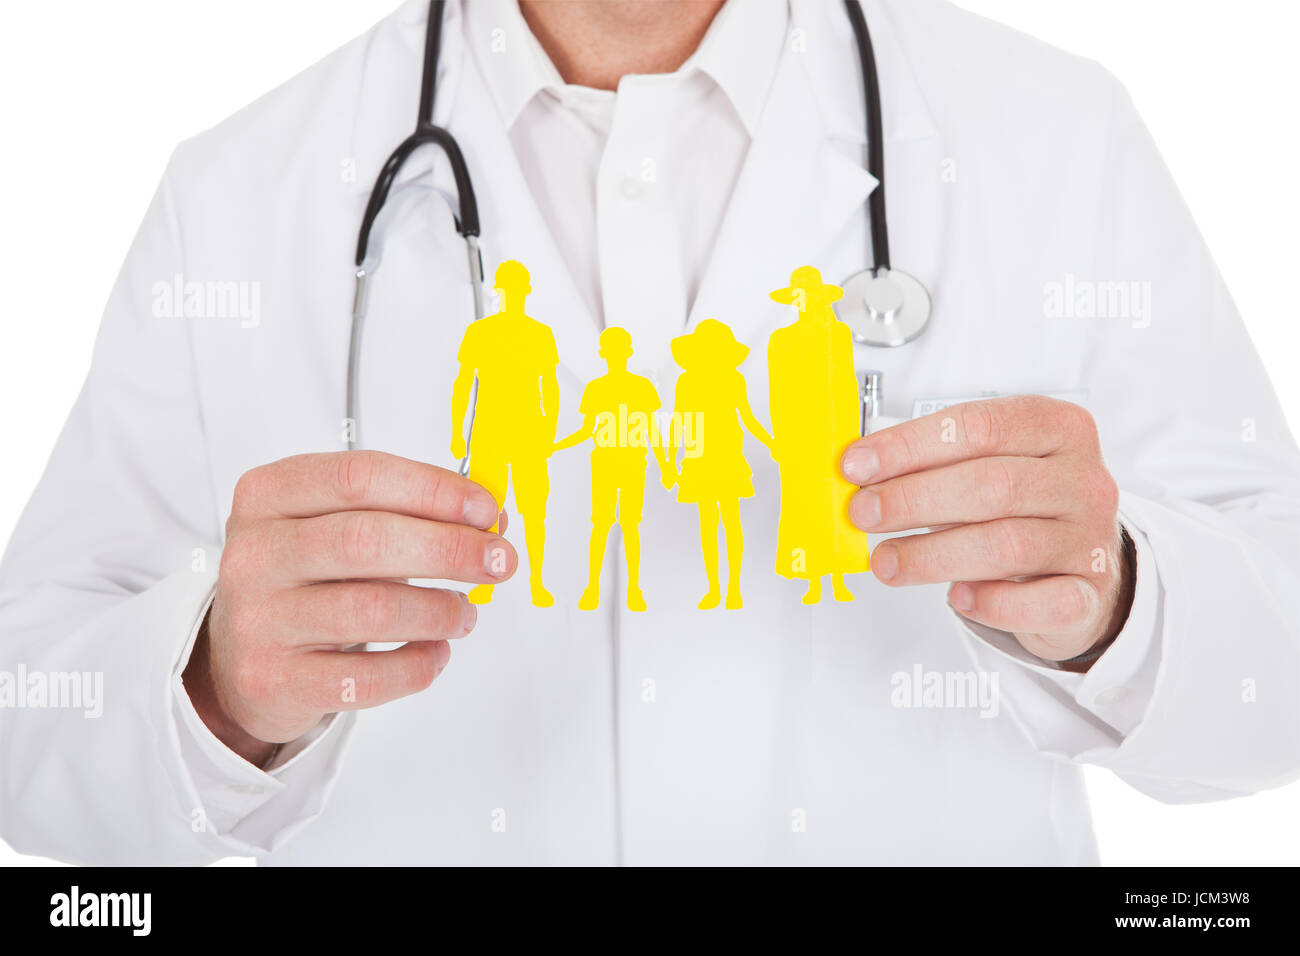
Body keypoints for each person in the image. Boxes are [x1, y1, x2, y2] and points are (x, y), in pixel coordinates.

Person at [0, 0, 1296, 866]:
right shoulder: (237, 192)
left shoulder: (1053, 135)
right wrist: (213, 692)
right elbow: (27, 720)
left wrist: (1122, 599)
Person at [451, 259, 558, 607]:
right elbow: (463, 383)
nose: (513, 292)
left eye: (517, 286)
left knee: (533, 513)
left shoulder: (540, 334)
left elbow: (551, 389)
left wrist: (548, 433)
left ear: (525, 290)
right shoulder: (481, 332)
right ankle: (488, 581)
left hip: (528, 434)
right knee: (488, 511)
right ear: (501, 289)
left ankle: (538, 583)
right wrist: (457, 432)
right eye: (508, 286)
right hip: (489, 433)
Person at [767, 266, 870, 604]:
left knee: (836, 502)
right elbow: (778, 392)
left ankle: (839, 577)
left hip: (834, 431)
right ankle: (811, 579)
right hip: (799, 432)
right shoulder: (781, 340)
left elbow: (845, 386)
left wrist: (853, 435)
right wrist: (779, 438)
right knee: (803, 504)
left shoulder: (836, 334)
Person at [553, 327, 671, 611]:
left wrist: (666, 466)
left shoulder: (641, 388)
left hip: (631, 465)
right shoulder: (597, 389)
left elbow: (651, 430)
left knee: (628, 526)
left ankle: (633, 590)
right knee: (603, 525)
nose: (616, 355)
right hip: (606, 466)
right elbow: (586, 431)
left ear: (626, 353)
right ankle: (593, 587)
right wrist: (555, 447)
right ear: (605, 354)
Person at [666, 319, 773, 610]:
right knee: (709, 525)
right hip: (699, 460)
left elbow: (748, 419)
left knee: (730, 522)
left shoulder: (732, 379)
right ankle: (714, 588)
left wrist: (773, 444)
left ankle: (734, 588)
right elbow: (680, 423)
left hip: (728, 458)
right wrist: (668, 463)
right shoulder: (686, 381)